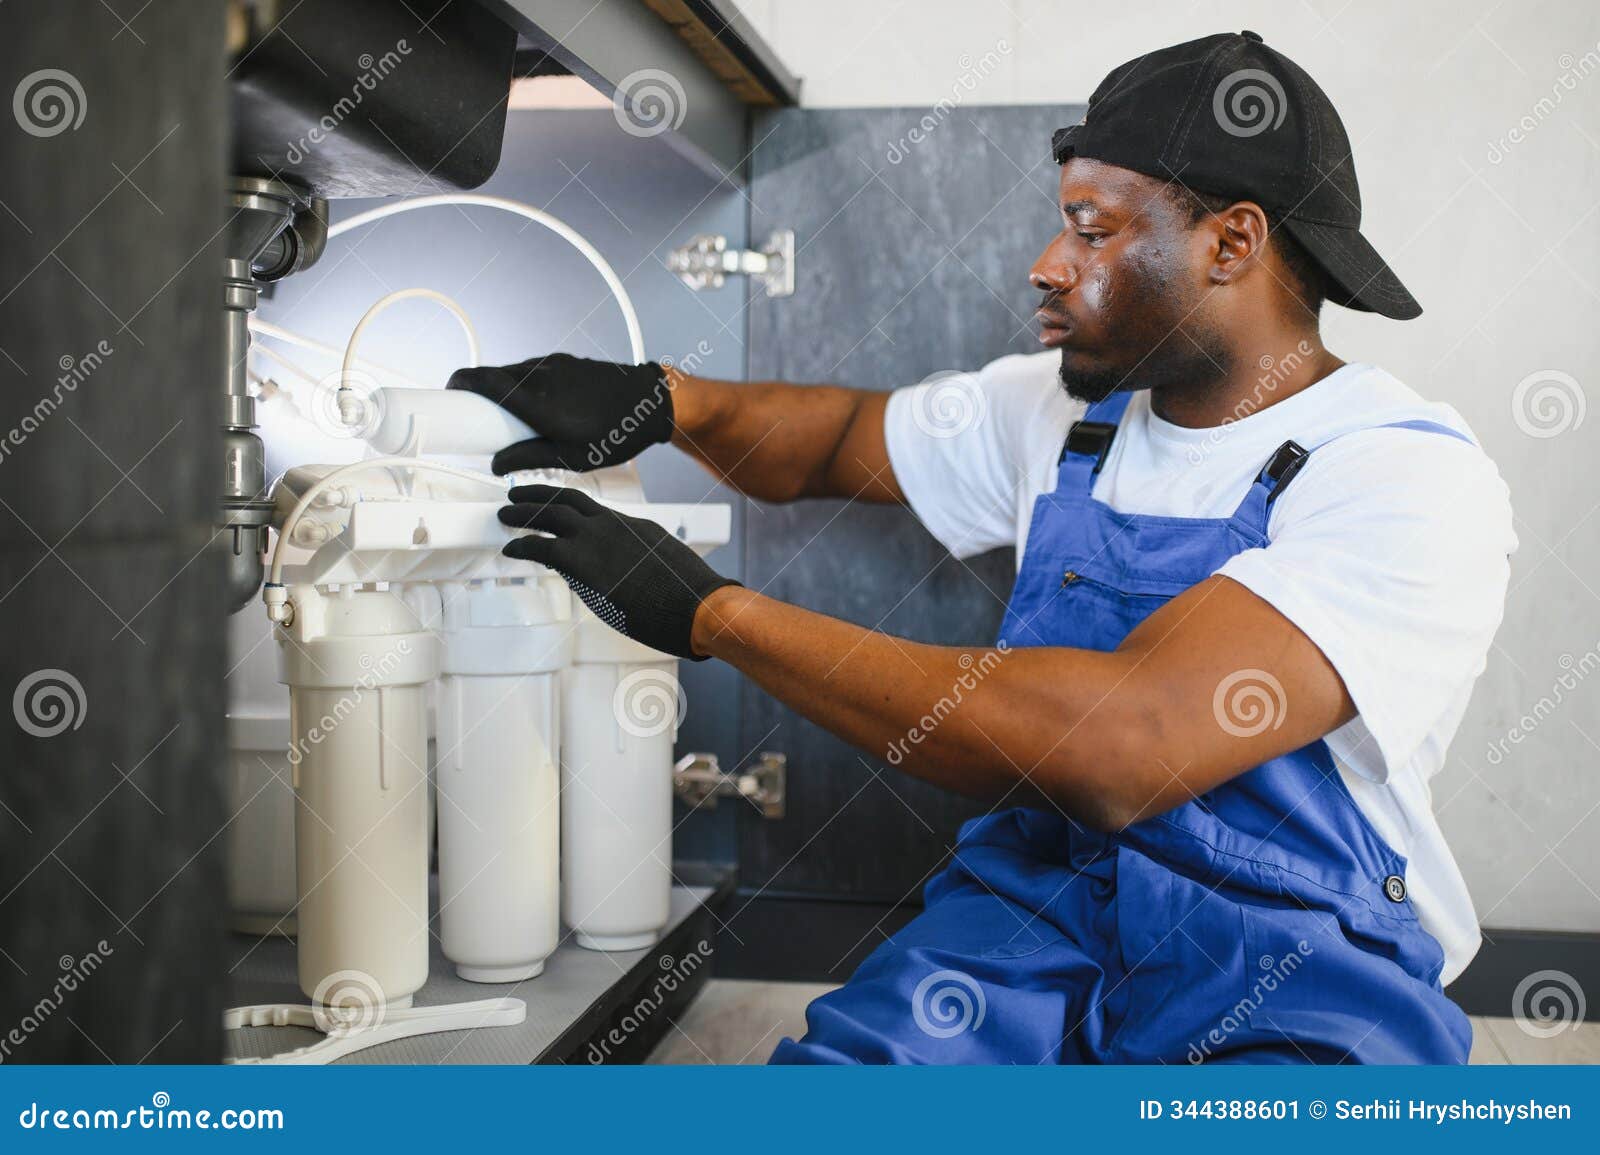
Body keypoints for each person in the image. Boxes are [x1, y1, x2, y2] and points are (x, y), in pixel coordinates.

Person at [450, 31, 1515, 1064]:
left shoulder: (1399, 475)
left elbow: (1124, 745)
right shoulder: (1064, 416)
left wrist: (714, 615)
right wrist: (663, 401)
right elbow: (832, 437)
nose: (1048, 266)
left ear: (1230, 244)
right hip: (1033, 916)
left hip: (1289, 956)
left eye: (1092, 231)